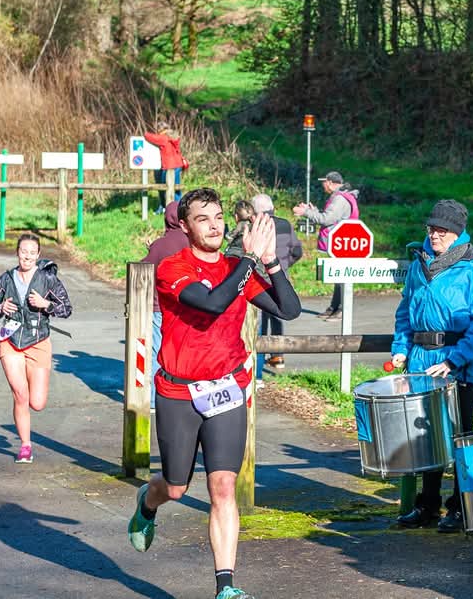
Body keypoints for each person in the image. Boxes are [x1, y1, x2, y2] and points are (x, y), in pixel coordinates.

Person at [127, 188, 301, 599]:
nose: (215, 224)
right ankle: (147, 504)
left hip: (227, 389)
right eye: (203, 218)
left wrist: (271, 261)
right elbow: (210, 303)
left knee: (223, 487)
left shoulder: (235, 267)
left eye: (219, 216)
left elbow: (288, 310)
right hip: (179, 392)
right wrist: (247, 260)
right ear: (185, 226)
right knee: (175, 487)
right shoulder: (173, 267)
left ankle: (226, 585)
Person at [390, 199, 473, 532]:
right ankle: (427, 505)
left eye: (442, 229)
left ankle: (463, 507)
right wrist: (401, 348)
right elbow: (405, 312)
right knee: (425, 436)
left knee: (460, 437)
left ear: (457, 233)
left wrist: (455, 359)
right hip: (422, 361)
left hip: (459, 365)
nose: (435, 234)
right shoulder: (418, 266)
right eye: (432, 228)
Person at [0, 233, 73, 463]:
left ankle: (26, 425)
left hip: (38, 341)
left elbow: (66, 308)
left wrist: (46, 304)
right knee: (20, 394)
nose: (28, 257)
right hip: (10, 341)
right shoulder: (6, 279)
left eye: (32, 253)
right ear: (17, 253)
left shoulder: (47, 279)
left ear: (38, 255)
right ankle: (25, 446)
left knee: (37, 403)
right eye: (24, 252)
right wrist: (1, 307)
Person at [140, 200, 190, 407]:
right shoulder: (193, 241)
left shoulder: (161, 244)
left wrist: (151, 248)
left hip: (160, 307)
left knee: (156, 351)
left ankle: (153, 399)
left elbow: (144, 269)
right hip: (187, 307)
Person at [293, 170, 359, 321]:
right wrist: (312, 210)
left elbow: (327, 219)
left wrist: (306, 212)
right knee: (339, 276)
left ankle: (341, 309)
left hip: (343, 244)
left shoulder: (339, 199)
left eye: (324, 182)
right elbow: (332, 217)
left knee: (342, 277)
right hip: (343, 242)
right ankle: (334, 307)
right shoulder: (341, 197)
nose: (322, 185)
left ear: (330, 182)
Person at [251, 193, 303, 369]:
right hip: (280, 277)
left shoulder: (254, 228)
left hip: (258, 280)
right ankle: (278, 356)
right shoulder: (285, 225)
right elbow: (297, 251)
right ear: (272, 208)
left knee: (257, 321)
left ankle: (257, 365)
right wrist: (284, 266)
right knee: (279, 316)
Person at [143, 122, 189, 211]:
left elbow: (149, 137)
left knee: (165, 187)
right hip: (177, 165)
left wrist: (145, 133)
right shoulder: (173, 136)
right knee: (176, 187)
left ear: (160, 129)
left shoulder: (163, 138)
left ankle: (170, 209)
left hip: (169, 166)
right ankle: (179, 208)